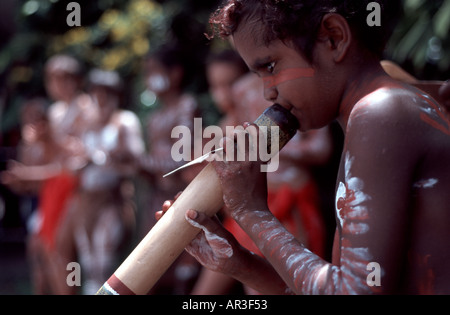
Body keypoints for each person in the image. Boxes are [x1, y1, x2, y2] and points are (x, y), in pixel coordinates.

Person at [159, 0, 450, 294]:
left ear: (333, 37)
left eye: (270, 66)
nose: (267, 92)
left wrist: (251, 212)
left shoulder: (381, 113)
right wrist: (241, 265)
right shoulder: (374, 116)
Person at [55, 69, 145, 294]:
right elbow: (68, 156)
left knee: (104, 261)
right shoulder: (85, 122)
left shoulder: (124, 121)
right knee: (87, 261)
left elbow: (136, 158)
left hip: (112, 198)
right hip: (86, 199)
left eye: (106, 94)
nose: (101, 99)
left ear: (116, 96)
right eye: (96, 93)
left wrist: (100, 156)